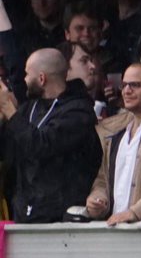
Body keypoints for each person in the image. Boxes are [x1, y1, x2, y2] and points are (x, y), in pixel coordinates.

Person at [0, 48, 101, 222]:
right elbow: (8, 150)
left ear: (41, 78)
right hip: (24, 212)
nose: (24, 80)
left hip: (61, 217)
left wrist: (10, 110)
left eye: (26, 74)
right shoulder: (28, 109)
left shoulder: (78, 111)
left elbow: (42, 145)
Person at [84, 62, 141, 223]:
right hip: (116, 231)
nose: (127, 90)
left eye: (135, 85)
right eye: (124, 85)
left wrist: (134, 213)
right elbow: (102, 180)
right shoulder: (114, 132)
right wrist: (98, 200)